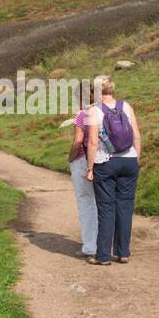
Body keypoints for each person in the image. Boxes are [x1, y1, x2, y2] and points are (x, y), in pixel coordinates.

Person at [85, 76, 140, 265]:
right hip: (129, 160)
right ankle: (123, 253)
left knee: (106, 209)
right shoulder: (127, 106)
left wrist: (90, 168)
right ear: (112, 89)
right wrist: (136, 159)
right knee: (125, 207)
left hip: (105, 162)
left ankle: (103, 256)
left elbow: (92, 142)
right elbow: (137, 137)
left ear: (96, 91)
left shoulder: (93, 111)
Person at [68, 99, 98, 259]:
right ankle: (107, 244)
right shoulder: (104, 111)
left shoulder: (83, 113)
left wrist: (70, 157)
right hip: (105, 161)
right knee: (104, 203)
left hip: (84, 160)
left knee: (86, 203)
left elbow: (78, 141)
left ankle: (90, 247)